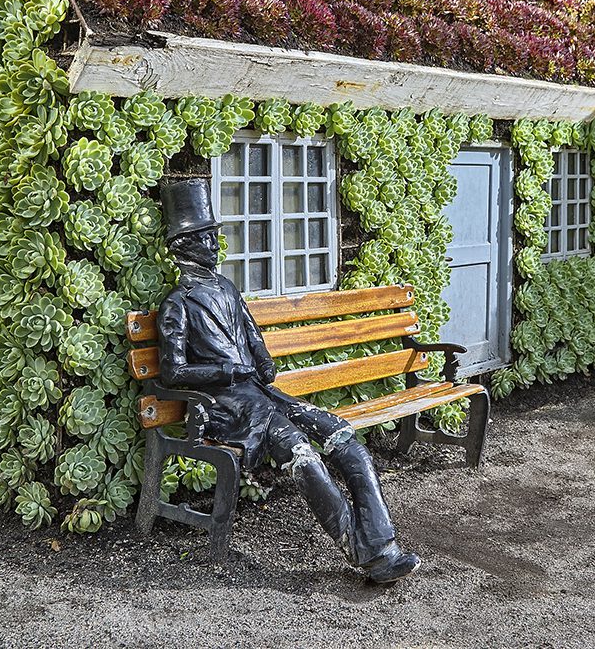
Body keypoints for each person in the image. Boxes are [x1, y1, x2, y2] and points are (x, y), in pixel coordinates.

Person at [156, 178, 420, 583]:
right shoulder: (177, 304)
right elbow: (172, 372)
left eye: (213, 236)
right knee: (304, 456)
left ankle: (382, 545)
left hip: (263, 394)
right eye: (205, 237)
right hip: (231, 409)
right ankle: (369, 555)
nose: (214, 245)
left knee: (345, 438)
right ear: (183, 246)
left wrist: (261, 358)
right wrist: (227, 371)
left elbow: (252, 338)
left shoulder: (227, 288)